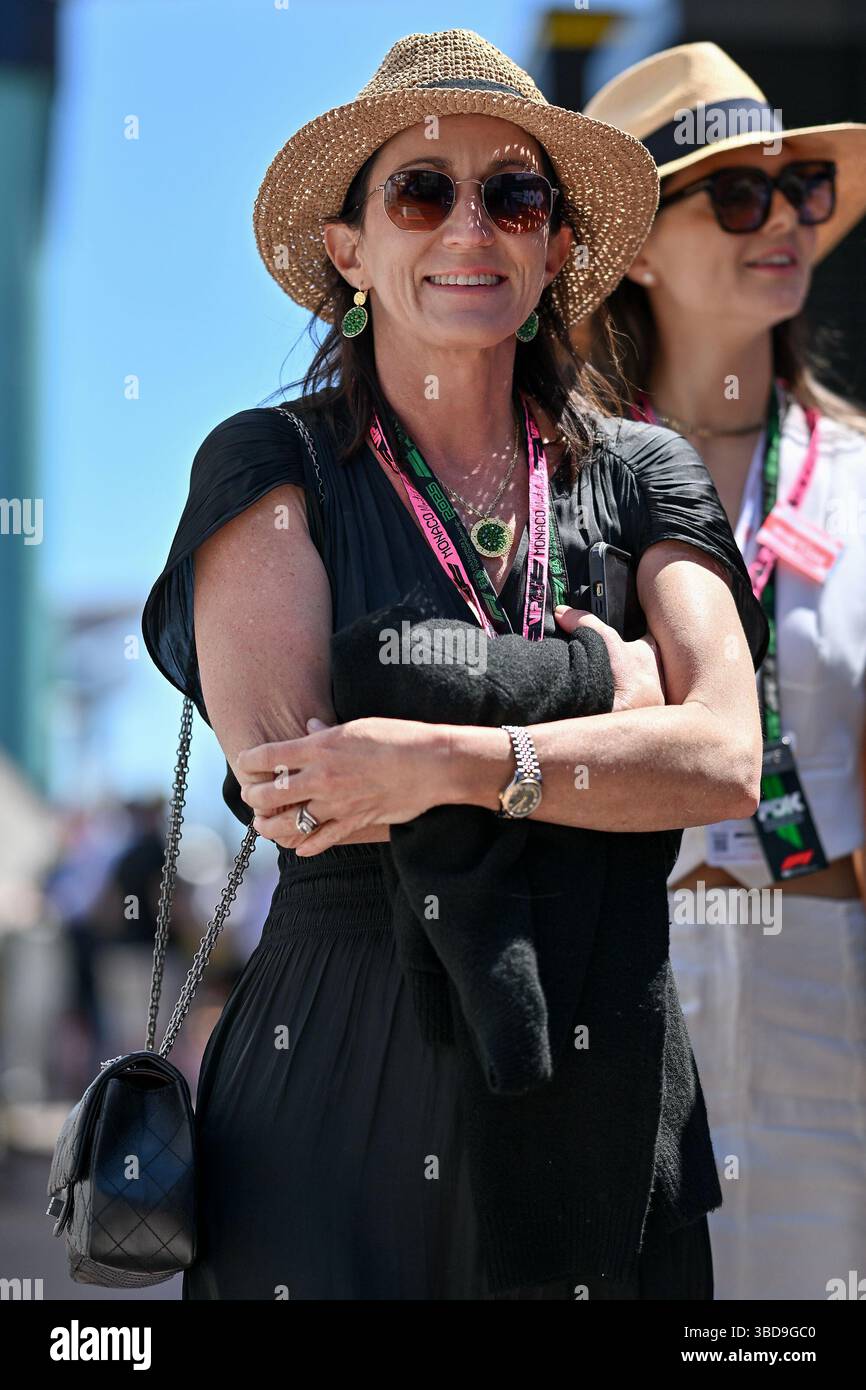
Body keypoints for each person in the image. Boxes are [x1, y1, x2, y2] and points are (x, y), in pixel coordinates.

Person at [141, 29, 769, 1300]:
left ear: (551, 250)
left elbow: (722, 757)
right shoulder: (271, 466)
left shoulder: (643, 471)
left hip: (601, 1076)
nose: (469, 227)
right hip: (338, 1081)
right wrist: (603, 695)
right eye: (420, 191)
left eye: (513, 195)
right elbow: (303, 787)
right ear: (349, 251)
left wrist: (435, 750)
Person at [583, 41, 866, 1300]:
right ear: (635, 247)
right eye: (735, 195)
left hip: (828, 982)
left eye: (797, 187)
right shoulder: (559, 487)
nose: (784, 220)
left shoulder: (857, 479)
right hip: (621, 977)